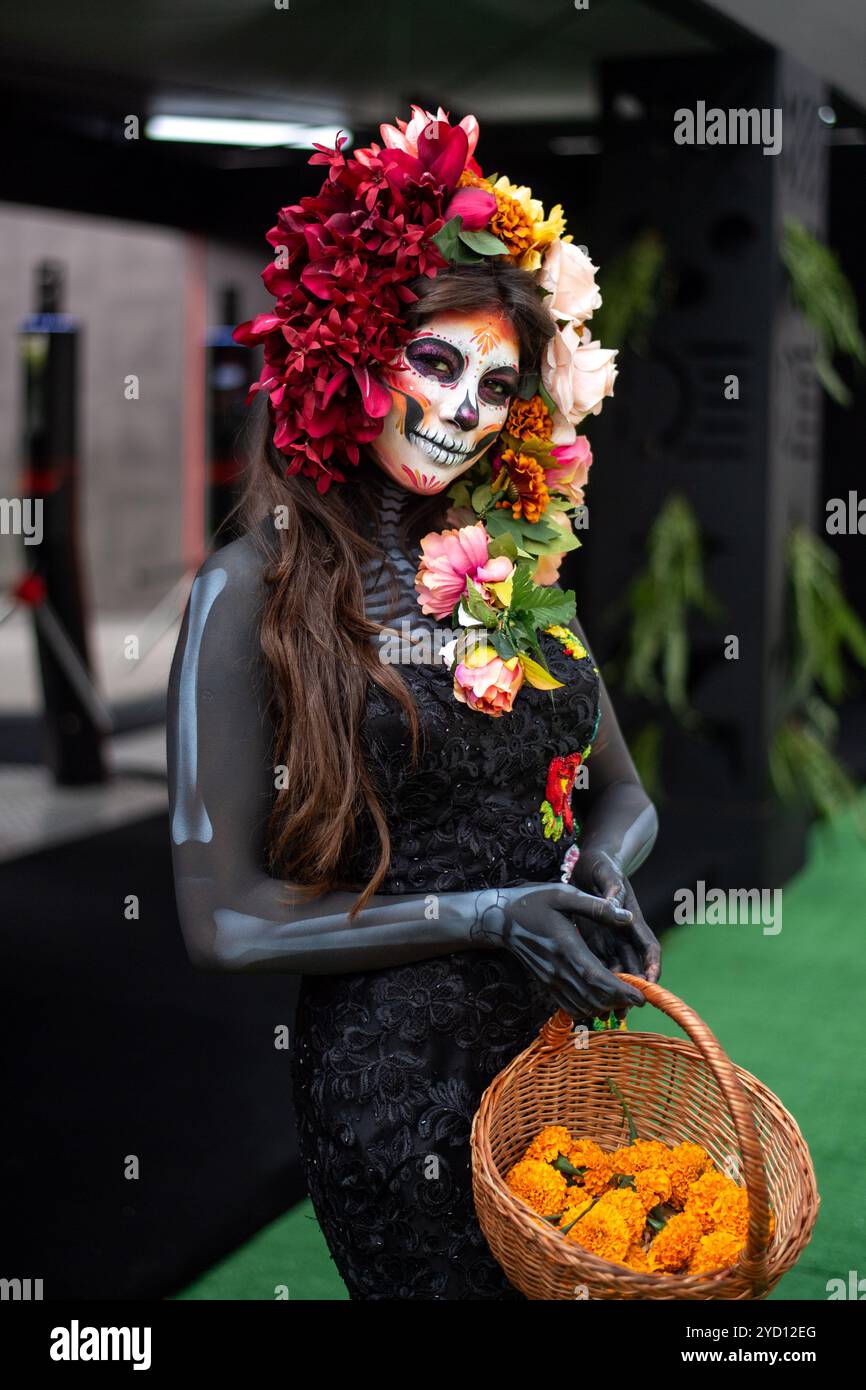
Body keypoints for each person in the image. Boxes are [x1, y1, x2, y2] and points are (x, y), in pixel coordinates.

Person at [167, 105, 662, 1301]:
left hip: (554, 1054)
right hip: (395, 1087)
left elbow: (627, 791)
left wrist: (596, 870)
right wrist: (491, 910)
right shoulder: (247, 592)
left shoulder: (515, 567)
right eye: (433, 362)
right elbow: (223, 922)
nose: (458, 411)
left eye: (495, 386)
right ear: (353, 356)